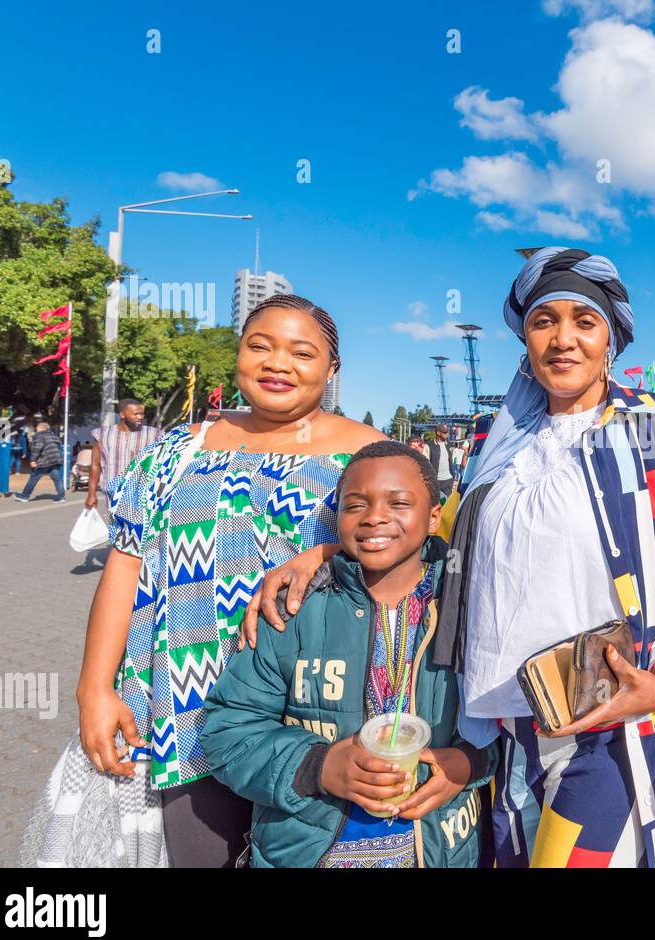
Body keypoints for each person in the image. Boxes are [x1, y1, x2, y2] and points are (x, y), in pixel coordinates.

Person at [244, 248, 655, 868]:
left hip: (618, 720)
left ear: (613, 336)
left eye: (585, 320)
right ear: (524, 336)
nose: (563, 339)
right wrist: (329, 550)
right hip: (504, 727)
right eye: (543, 320)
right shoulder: (492, 443)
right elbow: (433, 545)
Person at [20, 293, 384, 868]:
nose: (277, 364)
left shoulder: (367, 453)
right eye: (259, 346)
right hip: (180, 711)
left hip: (310, 712)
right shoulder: (179, 449)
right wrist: (94, 688)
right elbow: (125, 564)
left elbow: (417, 550)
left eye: (301, 352)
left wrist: (329, 549)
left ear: (331, 369)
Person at [202, 441, 497, 866]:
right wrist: (319, 766)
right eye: (354, 505)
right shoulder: (293, 610)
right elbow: (227, 730)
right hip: (308, 851)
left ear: (434, 516)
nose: (374, 516)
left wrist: (469, 763)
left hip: (441, 848)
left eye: (398, 502)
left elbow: (510, 724)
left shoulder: (471, 606)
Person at [86, 398, 161, 512]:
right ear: (122, 414)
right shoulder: (102, 435)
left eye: (141, 414)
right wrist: (91, 494)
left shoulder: (154, 435)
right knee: (117, 529)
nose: (140, 417)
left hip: (143, 497)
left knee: (139, 529)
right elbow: (95, 465)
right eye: (136, 414)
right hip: (114, 497)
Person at [14, 422, 65, 502]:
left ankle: (25, 496)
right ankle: (61, 497)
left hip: (44, 461)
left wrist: (33, 460)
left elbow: (37, 449)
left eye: (37, 427)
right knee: (57, 479)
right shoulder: (54, 436)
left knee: (33, 478)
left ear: (41, 428)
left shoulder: (40, 436)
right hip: (55, 460)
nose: (36, 429)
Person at [425, 425, 454, 497]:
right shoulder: (429, 445)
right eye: (444, 432)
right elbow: (425, 463)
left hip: (448, 480)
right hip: (435, 481)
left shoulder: (450, 445)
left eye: (447, 432)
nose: (447, 434)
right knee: (435, 504)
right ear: (438, 433)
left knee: (446, 505)